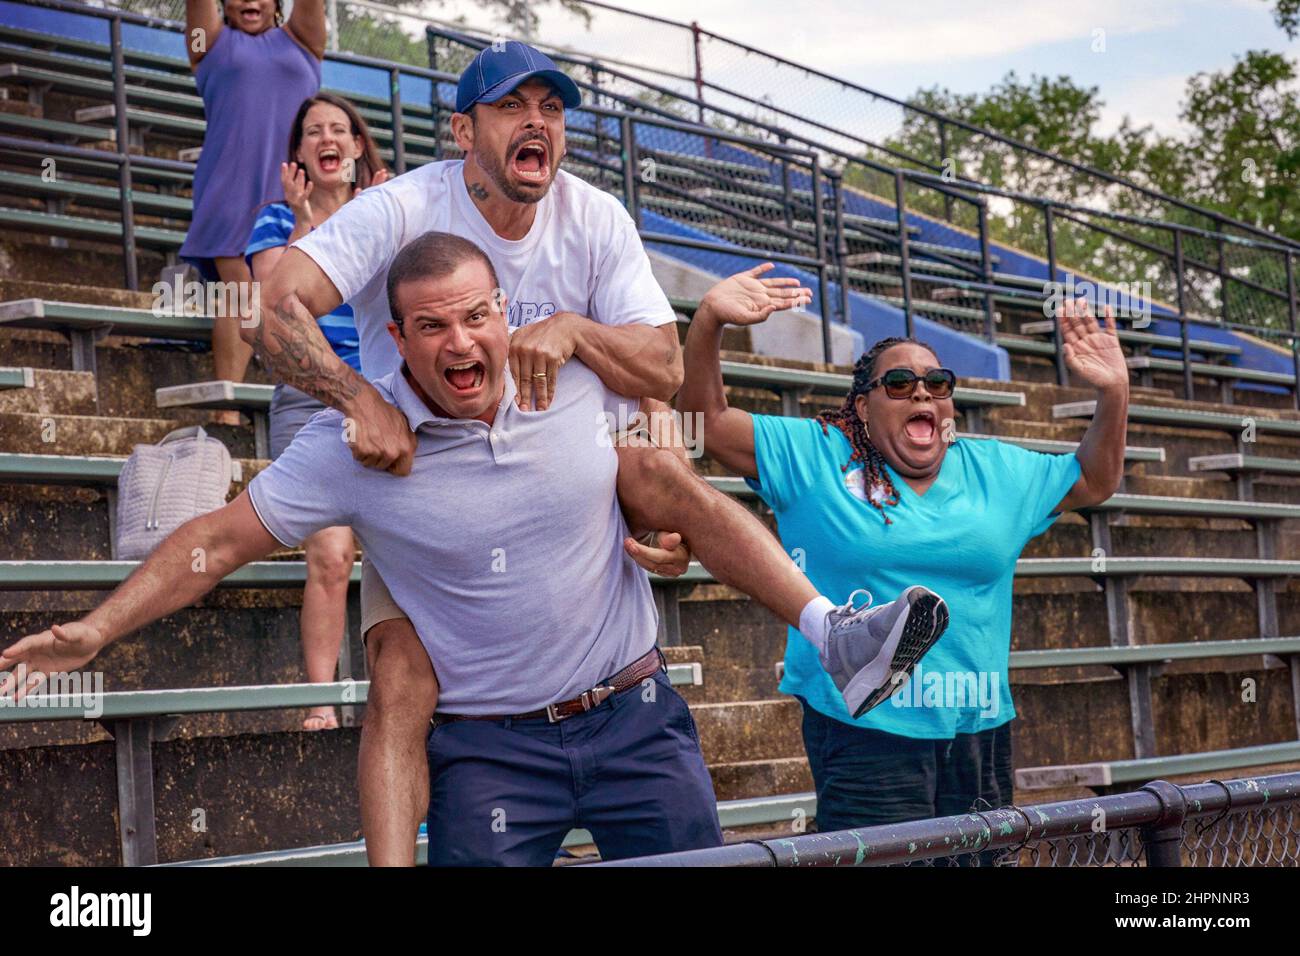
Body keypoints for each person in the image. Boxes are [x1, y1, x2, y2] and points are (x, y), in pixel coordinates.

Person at [1, 234, 948, 865]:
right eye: (432, 326)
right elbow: (214, 540)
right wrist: (92, 631)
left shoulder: (571, 379)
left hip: (633, 713)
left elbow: (670, 420)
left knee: (656, 474)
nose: (460, 341)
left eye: (476, 315)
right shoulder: (355, 445)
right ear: (398, 343)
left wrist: (658, 528)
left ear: (504, 311)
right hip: (494, 751)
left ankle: (833, 632)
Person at [244, 42, 947, 864]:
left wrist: (580, 335)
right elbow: (274, 308)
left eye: (551, 107)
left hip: (562, 485)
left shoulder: (593, 215)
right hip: (423, 487)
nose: (537, 121)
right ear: (462, 131)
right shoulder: (403, 208)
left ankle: (836, 635)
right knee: (399, 678)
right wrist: (359, 398)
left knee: (653, 468)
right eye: (512, 107)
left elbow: (660, 368)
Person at [676, 268, 1131, 833]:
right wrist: (709, 323)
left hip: (979, 728)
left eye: (937, 383)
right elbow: (705, 426)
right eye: (898, 383)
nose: (921, 391)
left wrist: (1113, 393)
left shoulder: (997, 468)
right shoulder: (819, 454)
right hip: (864, 732)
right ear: (863, 408)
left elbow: (1095, 478)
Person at [244, 93, 389, 730]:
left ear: (358, 146)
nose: (327, 140)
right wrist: (306, 217)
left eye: (340, 130)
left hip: (389, 391)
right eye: (313, 132)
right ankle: (321, 700)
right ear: (299, 153)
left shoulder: (388, 211)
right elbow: (274, 308)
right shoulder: (277, 222)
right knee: (331, 556)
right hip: (310, 397)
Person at [179, 0, 324, 425]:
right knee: (241, 292)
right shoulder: (210, 44)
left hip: (293, 191)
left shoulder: (303, 39)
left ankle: (305, 404)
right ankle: (227, 415)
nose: (250, 2)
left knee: (289, 292)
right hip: (229, 190)